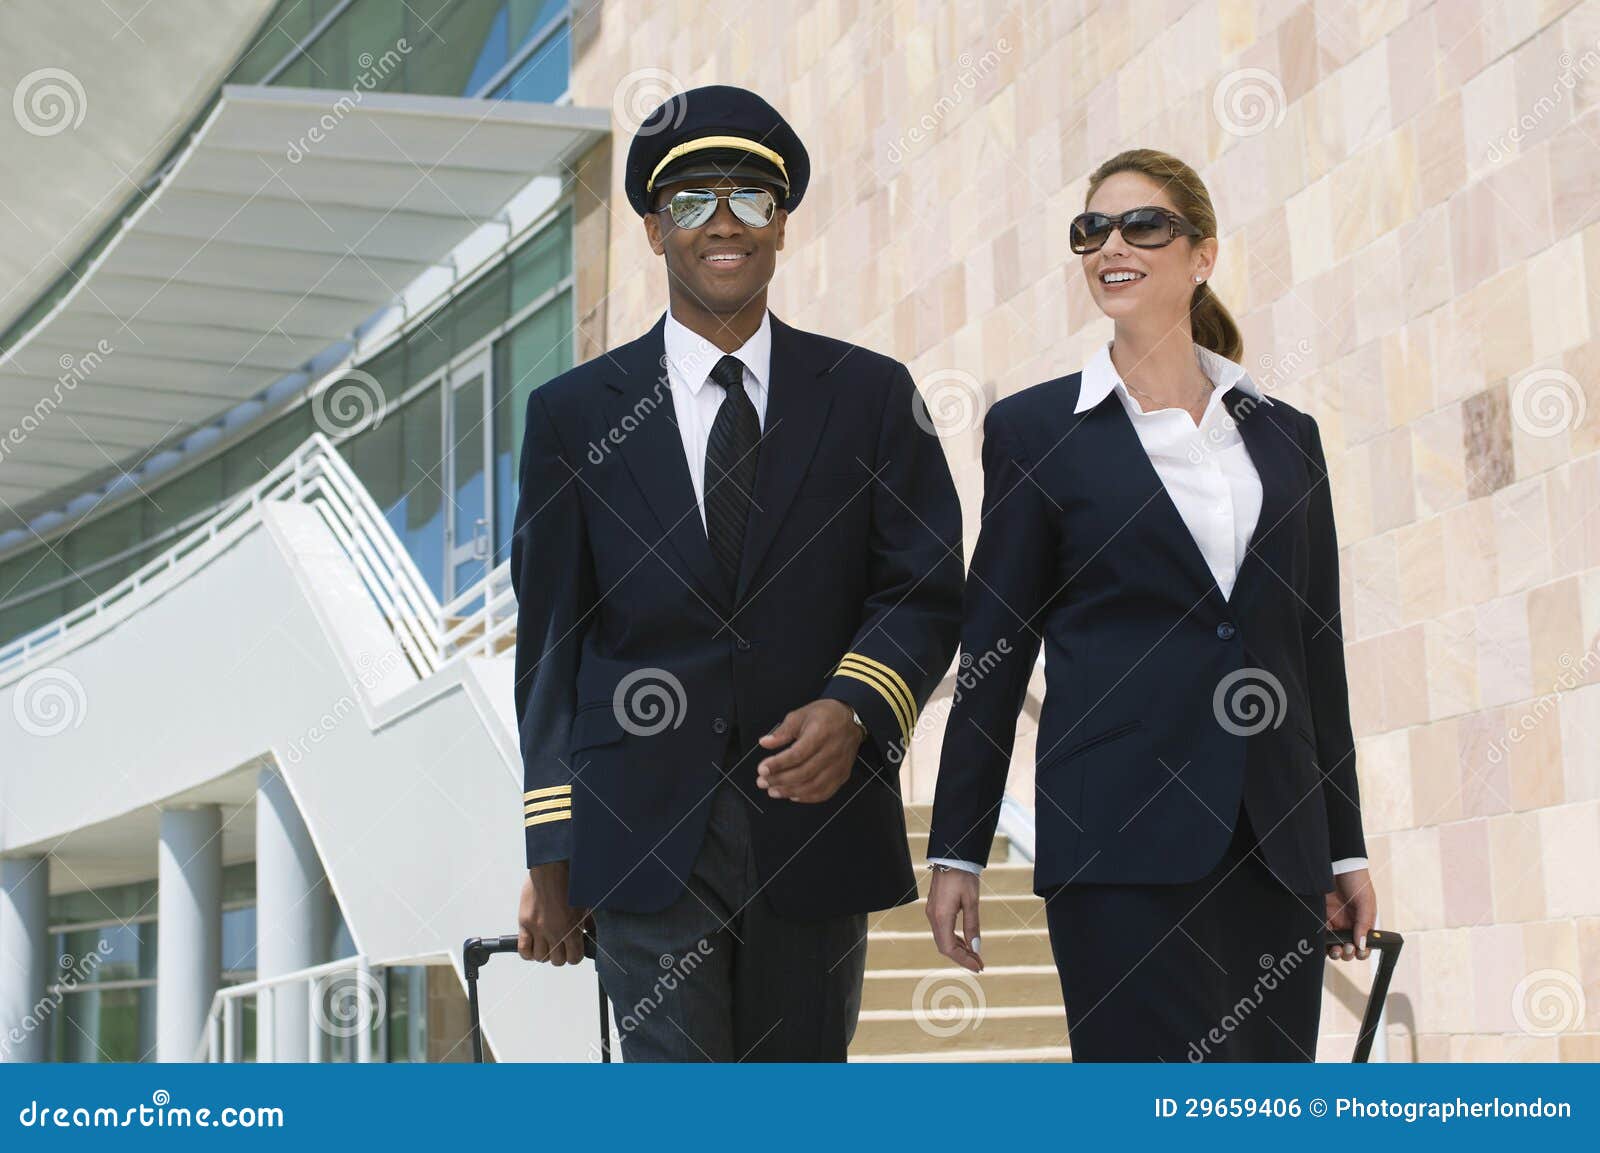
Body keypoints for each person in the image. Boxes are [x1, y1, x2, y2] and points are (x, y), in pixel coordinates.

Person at [510, 85, 964, 1061]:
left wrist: (857, 703)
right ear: (650, 229)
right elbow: (552, 641)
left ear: (783, 226)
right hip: (641, 836)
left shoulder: (870, 397)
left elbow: (924, 584)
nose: (724, 224)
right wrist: (552, 844)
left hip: (814, 827)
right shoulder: (572, 416)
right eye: (691, 202)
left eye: (752, 200)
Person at [924, 148, 1378, 1061]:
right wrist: (959, 849)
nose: (1111, 245)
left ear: (1201, 255)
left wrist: (1343, 848)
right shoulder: (1038, 432)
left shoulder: (1288, 437)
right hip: (1119, 840)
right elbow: (995, 650)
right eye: (1092, 230)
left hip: (1273, 837)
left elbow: (1314, 649)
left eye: (1142, 225)